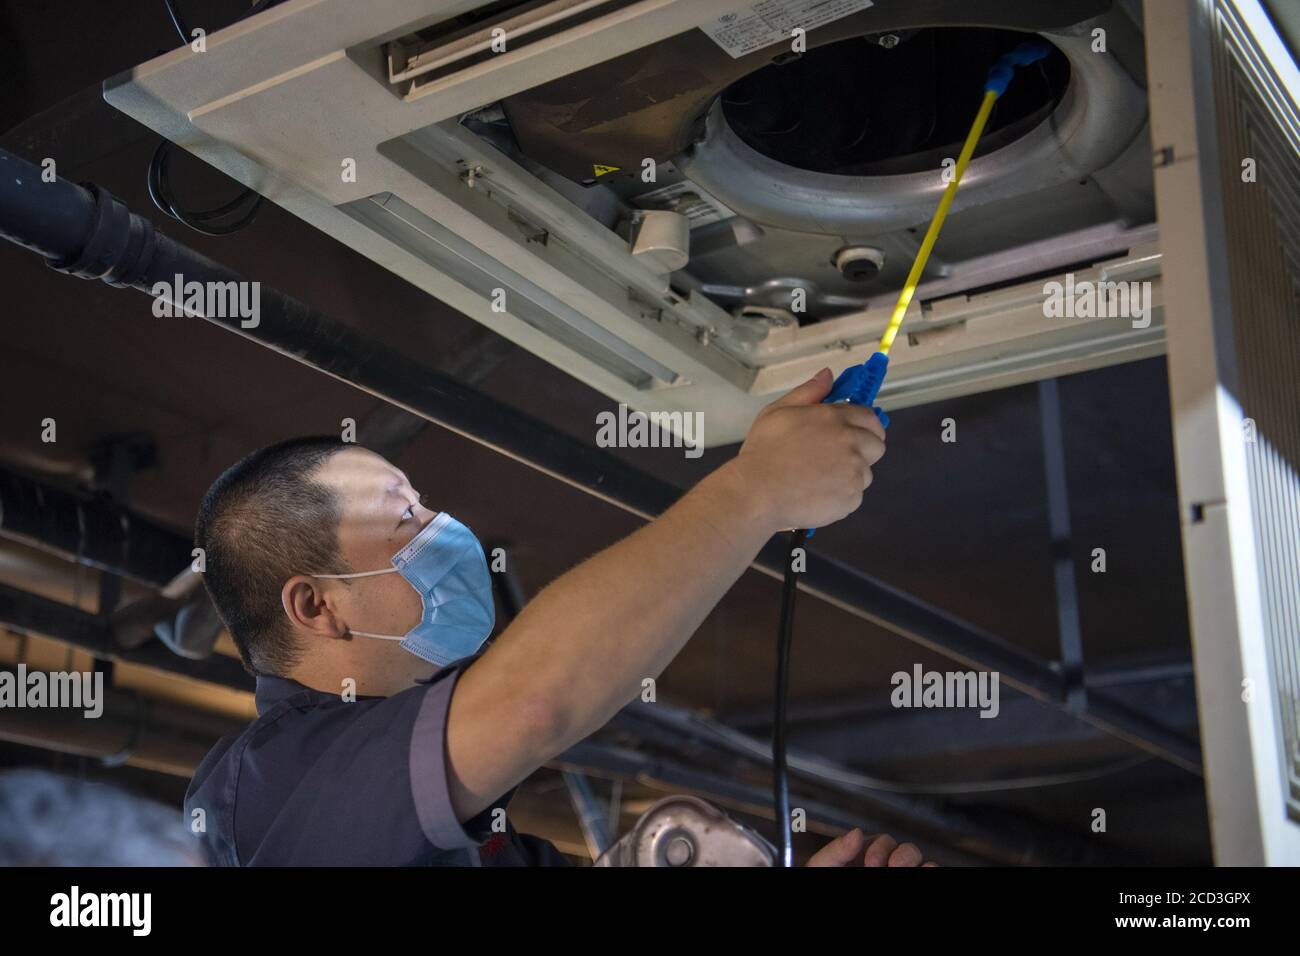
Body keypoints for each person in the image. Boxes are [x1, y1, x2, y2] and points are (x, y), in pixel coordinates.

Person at [185, 367, 930, 866]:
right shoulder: (264, 792)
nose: (445, 528)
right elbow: (534, 703)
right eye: (405, 517)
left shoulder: (483, 842)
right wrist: (758, 490)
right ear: (317, 605)